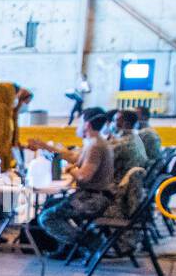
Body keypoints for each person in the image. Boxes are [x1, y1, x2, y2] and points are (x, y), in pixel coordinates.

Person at [30, 108, 116, 253]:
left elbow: (83, 176)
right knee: (50, 204)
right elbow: (73, 157)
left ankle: (89, 242)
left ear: (87, 125)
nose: (78, 126)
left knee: (47, 218)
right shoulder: (95, 142)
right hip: (94, 195)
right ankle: (64, 249)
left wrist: (70, 170)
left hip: (93, 200)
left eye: (80, 122)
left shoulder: (95, 146)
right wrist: (45, 146)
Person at [108, 108, 148, 179]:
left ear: (126, 124)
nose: (113, 123)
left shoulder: (122, 143)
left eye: (116, 120)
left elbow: (103, 158)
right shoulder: (136, 138)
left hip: (119, 181)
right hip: (132, 180)